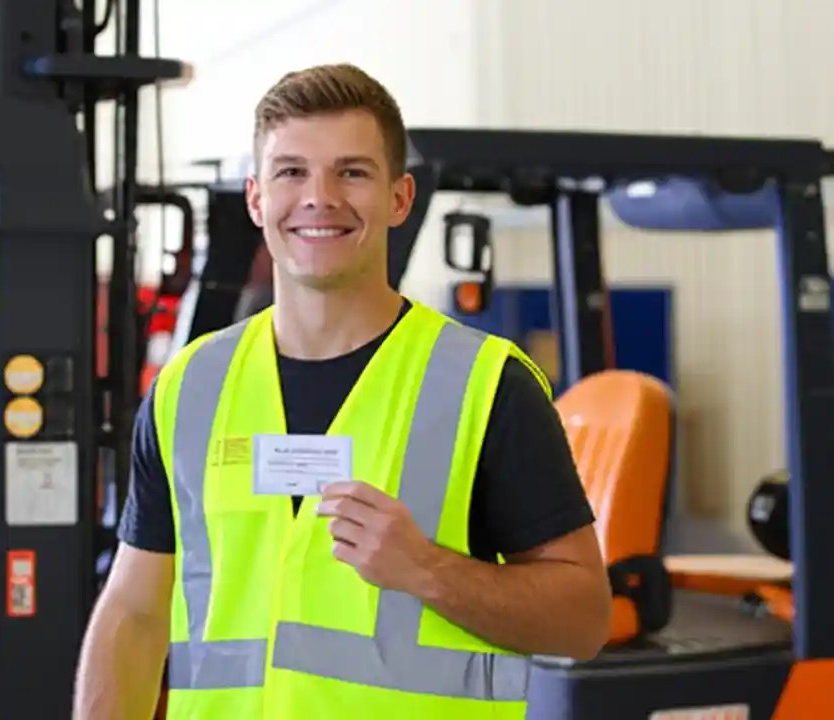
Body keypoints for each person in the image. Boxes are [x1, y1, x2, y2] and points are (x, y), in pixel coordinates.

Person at [73, 63, 611, 720]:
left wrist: (426, 569)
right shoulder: (190, 387)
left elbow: (583, 623)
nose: (319, 197)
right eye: (291, 172)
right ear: (255, 198)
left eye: (351, 172)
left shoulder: (487, 385)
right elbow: (133, 611)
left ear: (399, 198)